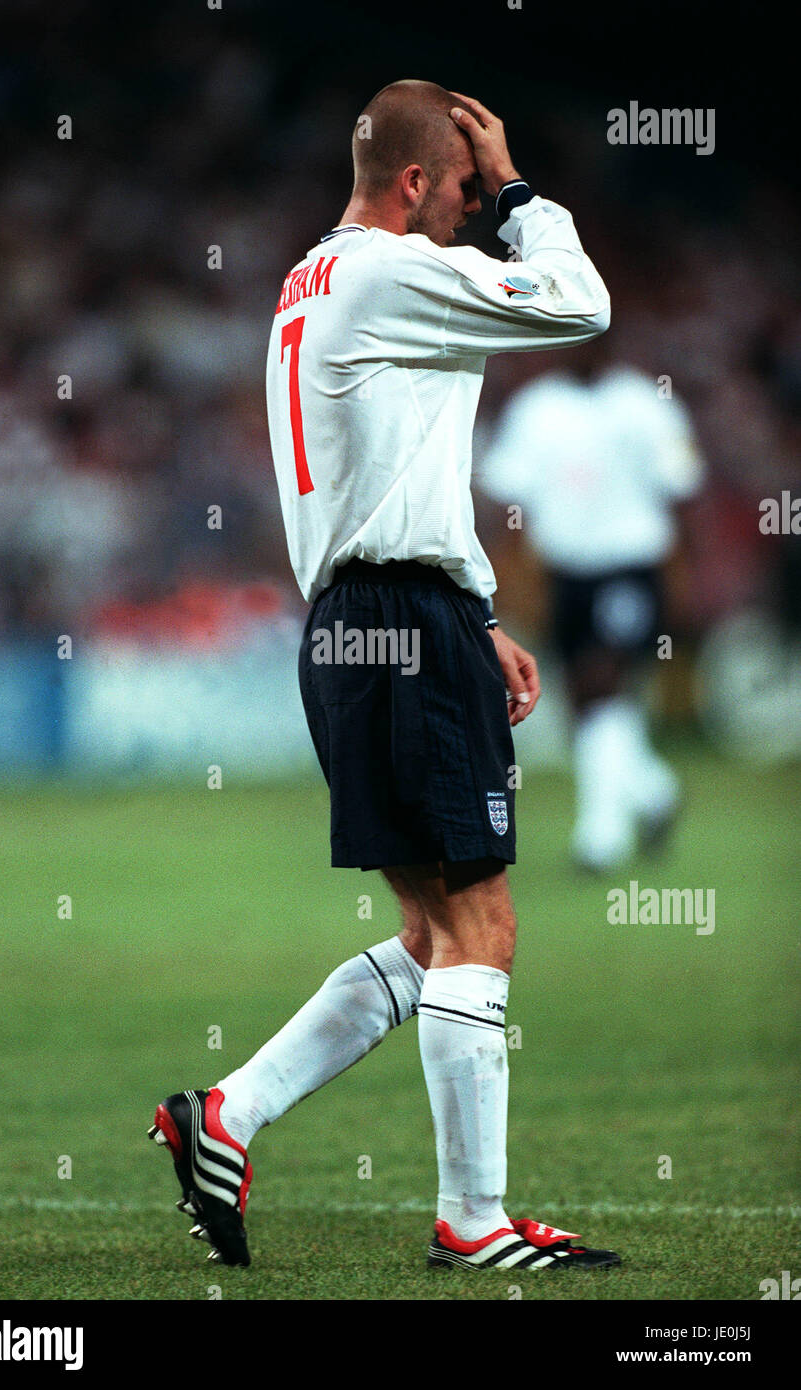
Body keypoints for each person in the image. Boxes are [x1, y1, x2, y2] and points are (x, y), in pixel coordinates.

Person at [150, 79, 620, 1273]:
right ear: (415, 180)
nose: (473, 212)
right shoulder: (389, 269)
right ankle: (471, 1222)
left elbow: (393, 462)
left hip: (372, 620)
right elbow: (579, 306)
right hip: (399, 627)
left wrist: (479, 611)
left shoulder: (311, 277)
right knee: (480, 927)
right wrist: (520, 187)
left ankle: (229, 1112)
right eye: (461, 191)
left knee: (426, 933)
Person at [478, 339, 705, 871]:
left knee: (603, 680)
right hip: (564, 572)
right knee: (584, 696)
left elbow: (680, 486)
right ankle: (654, 791)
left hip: (628, 564)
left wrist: (684, 573)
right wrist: (513, 575)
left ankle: (599, 839)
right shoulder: (537, 407)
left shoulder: (644, 401)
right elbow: (512, 497)